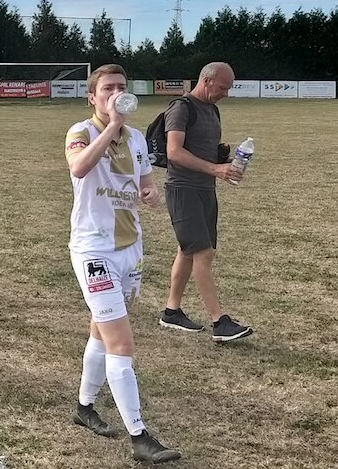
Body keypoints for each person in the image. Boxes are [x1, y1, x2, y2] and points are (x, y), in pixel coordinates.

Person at [64, 64, 181, 463]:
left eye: (121, 88)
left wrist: (150, 194)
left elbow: (147, 182)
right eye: (108, 88)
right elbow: (79, 168)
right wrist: (111, 126)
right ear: (92, 96)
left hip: (130, 248)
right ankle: (139, 436)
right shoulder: (81, 132)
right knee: (122, 343)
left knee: (101, 331)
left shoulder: (135, 138)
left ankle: (84, 407)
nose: (116, 93)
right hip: (94, 250)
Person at [159, 62, 253, 342]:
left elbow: (202, 149)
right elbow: (174, 152)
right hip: (183, 189)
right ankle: (219, 322)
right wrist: (215, 169)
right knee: (202, 252)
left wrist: (222, 157)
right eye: (223, 87)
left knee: (188, 250)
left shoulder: (212, 110)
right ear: (207, 81)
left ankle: (171, 312)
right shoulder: (181, 108)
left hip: (204, 189)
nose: (226, 93)